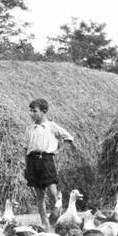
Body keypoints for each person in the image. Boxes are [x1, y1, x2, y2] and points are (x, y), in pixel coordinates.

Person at [25, 98, 77, 228]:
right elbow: (26, 147)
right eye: (30, 111)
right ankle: (44, 222)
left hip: (46, 160)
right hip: (32, 160)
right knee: (39, 194)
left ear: (44, 111)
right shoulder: (30, 128)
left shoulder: (51, 126)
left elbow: (68, 137)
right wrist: (26, 162)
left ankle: (57, 211)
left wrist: (59, 149)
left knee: (52, 190)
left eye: (35, 111)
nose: (32, 114)